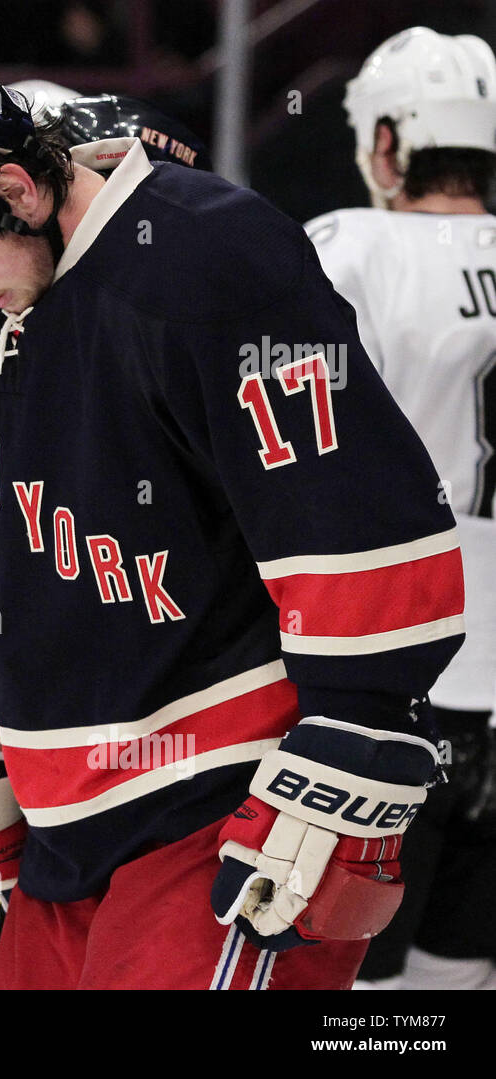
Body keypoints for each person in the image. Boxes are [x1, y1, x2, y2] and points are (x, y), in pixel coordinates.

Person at [0, 56, 465, 989]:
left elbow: (353, 521)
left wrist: (352, 736)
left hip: (216, 807)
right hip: (58, 830)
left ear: (17, 189)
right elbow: (1, 535)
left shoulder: (214, 258)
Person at [306, 25, 496, 991]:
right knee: (460, 976)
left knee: (348, 983)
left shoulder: (351, 250)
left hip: (396, 678)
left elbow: (293, 467)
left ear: (389, 142)